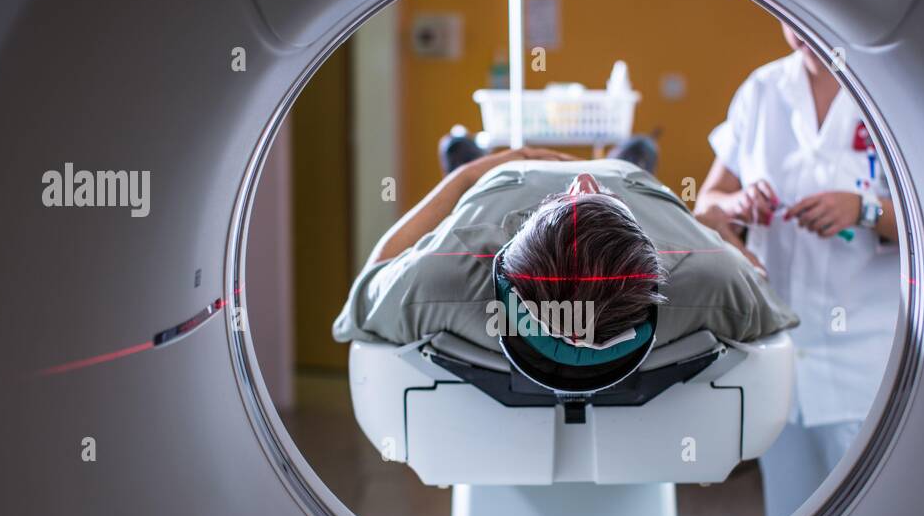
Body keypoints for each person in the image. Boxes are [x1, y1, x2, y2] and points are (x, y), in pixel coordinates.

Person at [333, 145, 797, 387]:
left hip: (505, 180)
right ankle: (632, 158)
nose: (581, 179)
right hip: (630, 179)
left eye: (571, 196)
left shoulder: (441, 273)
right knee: (632, 157)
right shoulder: (712, 275)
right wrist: (718, 227)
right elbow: (765, 296)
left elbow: (368, 284)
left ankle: (465, 155)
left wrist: (466, 178)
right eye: (594, 195)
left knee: (468, 156)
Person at [694, 22, 901, 516]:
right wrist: (737, 207)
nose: (804, 29)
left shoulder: (892, 90)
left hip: (866, 356)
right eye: (792, 17)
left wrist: (863, 210)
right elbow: (706, 204)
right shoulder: (762, 90)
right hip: (780, 352)